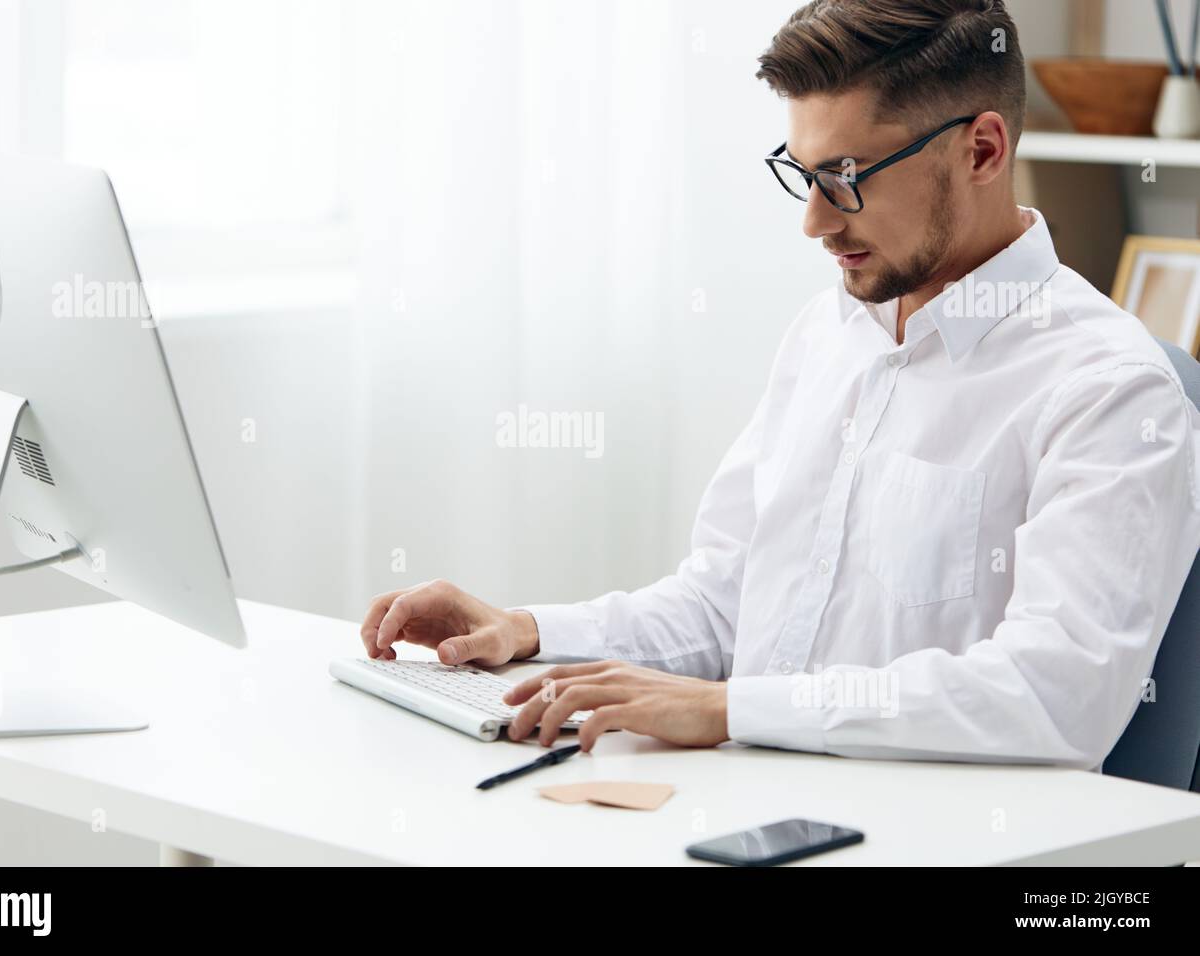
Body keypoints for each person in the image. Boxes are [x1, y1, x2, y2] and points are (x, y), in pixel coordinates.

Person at [359, 0, 1200, 770]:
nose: (815, 220)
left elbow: (1054, 697)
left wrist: (731, 709)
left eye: (847, 176)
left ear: (982, 149)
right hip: (753, 809)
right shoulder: (828, 335)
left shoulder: (1108, 389)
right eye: (802, 173)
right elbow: (727, 605)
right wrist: (530, 631)